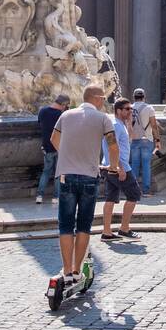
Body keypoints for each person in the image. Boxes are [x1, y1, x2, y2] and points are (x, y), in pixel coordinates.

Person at [50, 84, 119, 283]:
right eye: (103, 98)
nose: (104, 102)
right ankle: (77, 270)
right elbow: (113, 146)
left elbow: (54, 138)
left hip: (66, 175)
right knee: (83, 226)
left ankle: (66, 270)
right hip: (89, 176)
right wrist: (113, 167)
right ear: (96, 98)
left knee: (65, 224)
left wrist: (67, 154)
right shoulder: (103, 118)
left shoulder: (66, 115)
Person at [101, 98, 142, 242]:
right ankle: (124, 228)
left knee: (110, 198)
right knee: (135, 195)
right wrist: (121, 168)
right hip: (119, 167)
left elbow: (128, 139)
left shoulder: (120, 124)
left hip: (112, 167)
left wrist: (129, 122)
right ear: (118, 110)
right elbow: (112, 147)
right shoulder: (114, 125)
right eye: (127, 109)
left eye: (131, 109)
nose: (130, 111)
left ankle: (107, 232)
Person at [35, 93, 70, 203]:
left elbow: (40, 124)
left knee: (46, 171)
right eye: (66, 105)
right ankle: (56, 197)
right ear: (63, 104)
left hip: (47, 146)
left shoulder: (43, 111)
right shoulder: (62, 115)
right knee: (58, 173)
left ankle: (39, 196)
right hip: (60, 147)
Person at [128, 88, 161, 195]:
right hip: (147, 139)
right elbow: (154, 126)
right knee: (146, 165)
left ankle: (133, 191)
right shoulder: (149, 108)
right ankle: (146, 191)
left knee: (134, 165)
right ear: (144, 97)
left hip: (134, 139)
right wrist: (157, 140)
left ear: (134, 97)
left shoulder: (130, 108)